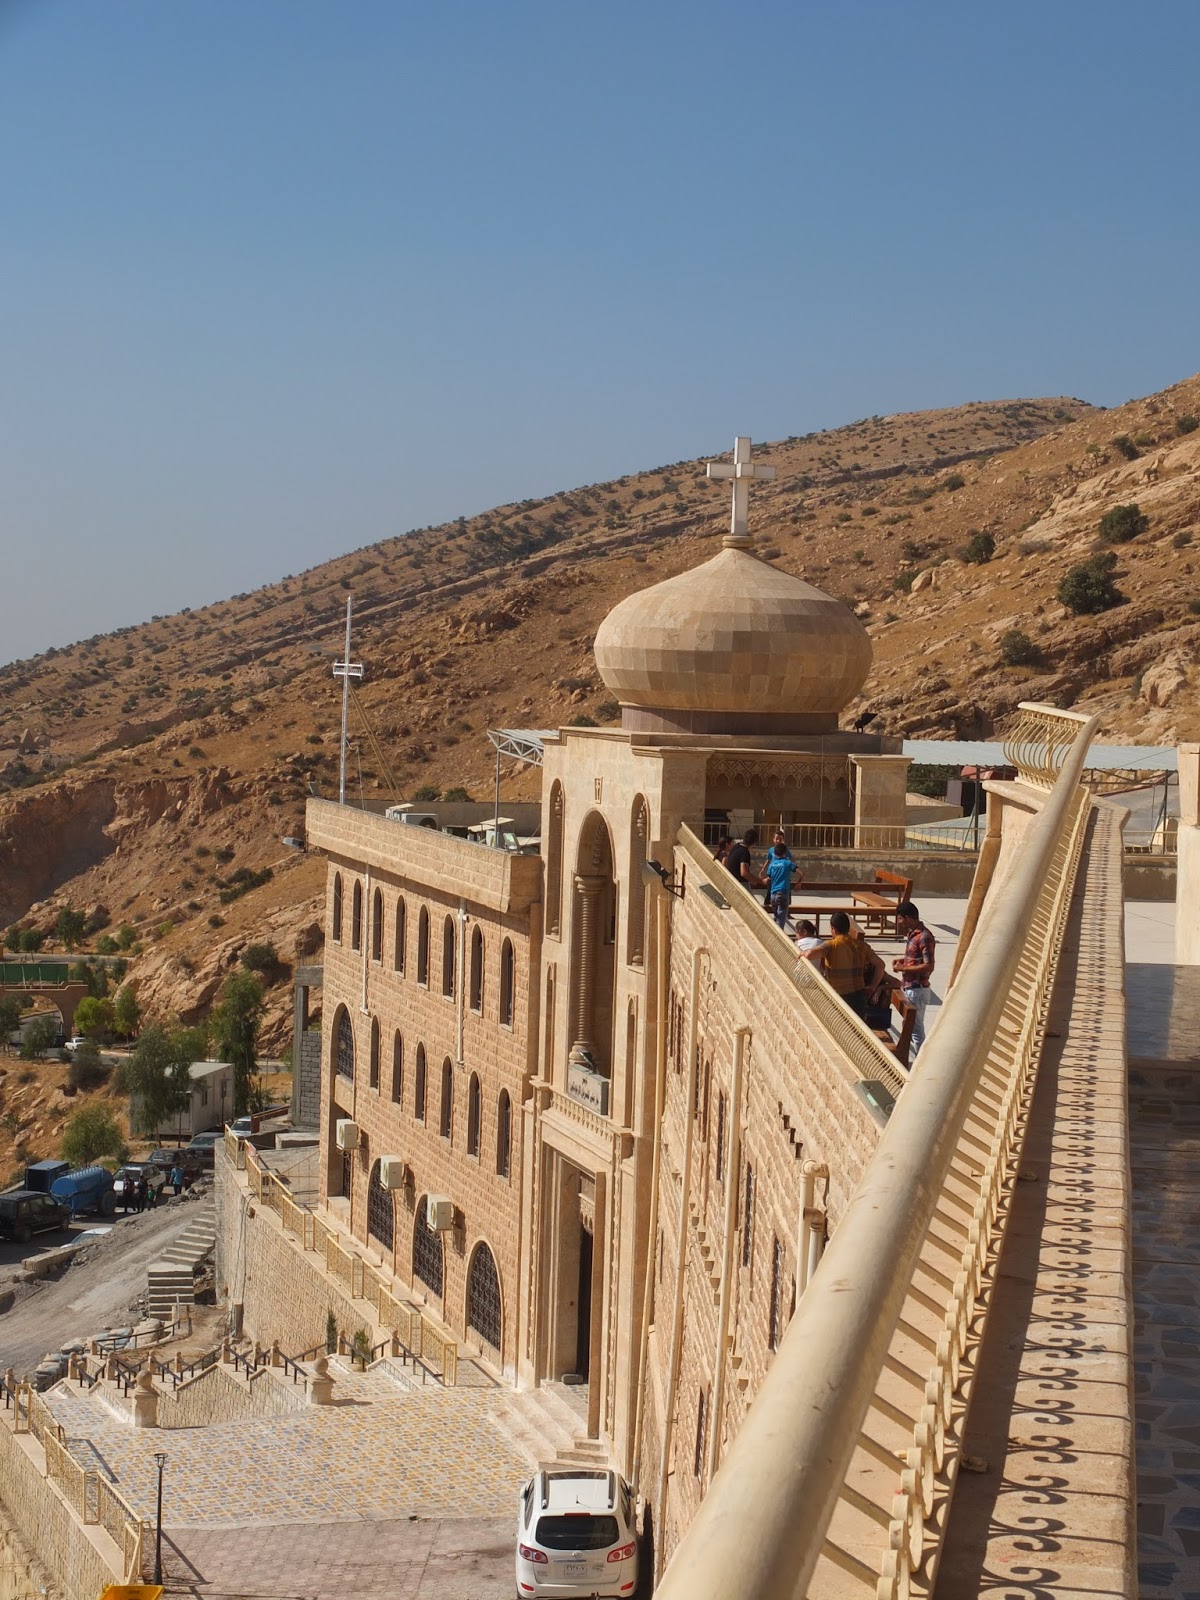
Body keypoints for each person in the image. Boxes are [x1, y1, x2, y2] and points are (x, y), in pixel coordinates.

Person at [804, 911, 883, 1019]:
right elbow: (880, 965)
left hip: (837, 997)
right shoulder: (861, 946)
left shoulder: (831, 946)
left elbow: (809, 955)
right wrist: (873, 986)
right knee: (857, 1032)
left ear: (833, 929)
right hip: (858, 997)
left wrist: (802, 952)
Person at [892, 900, 936, 1056]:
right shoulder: (914, 935)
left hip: (917, 989)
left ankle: (920, 1064)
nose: (899, 922)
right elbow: (916, 960)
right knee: (909, 1027)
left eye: (900, 918)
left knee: (916, 1030)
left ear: (909, 918)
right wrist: (902, 962)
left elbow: (929, 965)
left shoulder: (924, 937)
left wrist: (903, 967)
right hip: (910, 987)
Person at [763, 837, 798, 928]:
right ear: (785, 853)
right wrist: (799, 882)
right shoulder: (787, 863)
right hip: (783, 892)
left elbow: (768, 878)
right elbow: (801, 873)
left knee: (776, 916)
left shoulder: (772, 865)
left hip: (773, 893)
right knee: (781, 919)